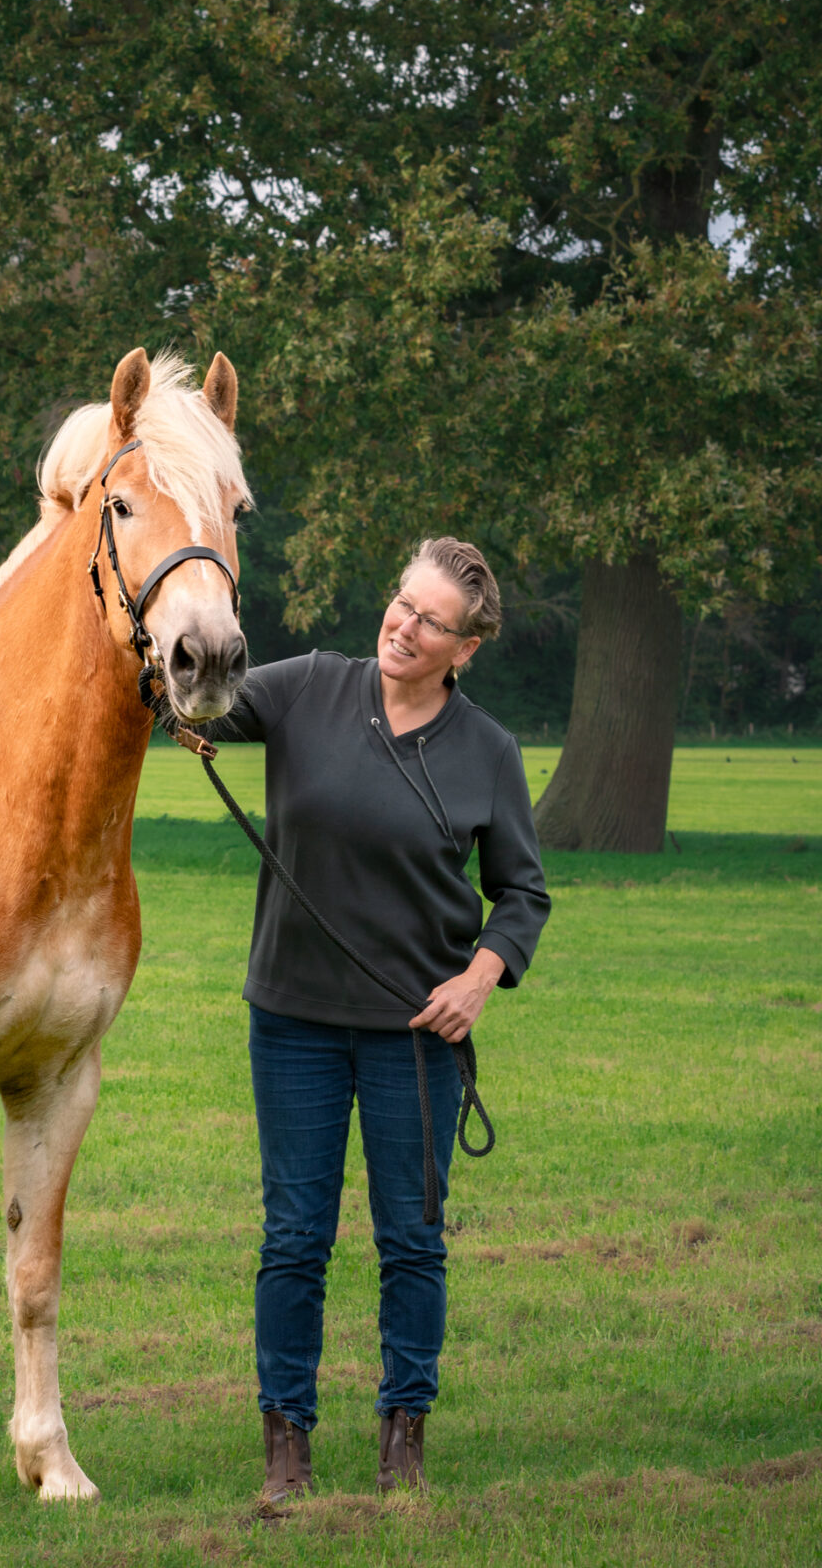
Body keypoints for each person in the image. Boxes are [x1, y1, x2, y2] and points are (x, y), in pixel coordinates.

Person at [198, 537, 551, 1504]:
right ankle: (287, 1446)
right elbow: (198, 693)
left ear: (464, 648)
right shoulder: (309, 685)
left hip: (417, 1037)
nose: (404, 624)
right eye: (403, 602)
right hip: (294, 1022)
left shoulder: (489, 752)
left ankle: (404, 1438)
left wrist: (480, 977)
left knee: (412, 1240)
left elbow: (522, 893)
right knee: (294, 1236)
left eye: (432, 620)